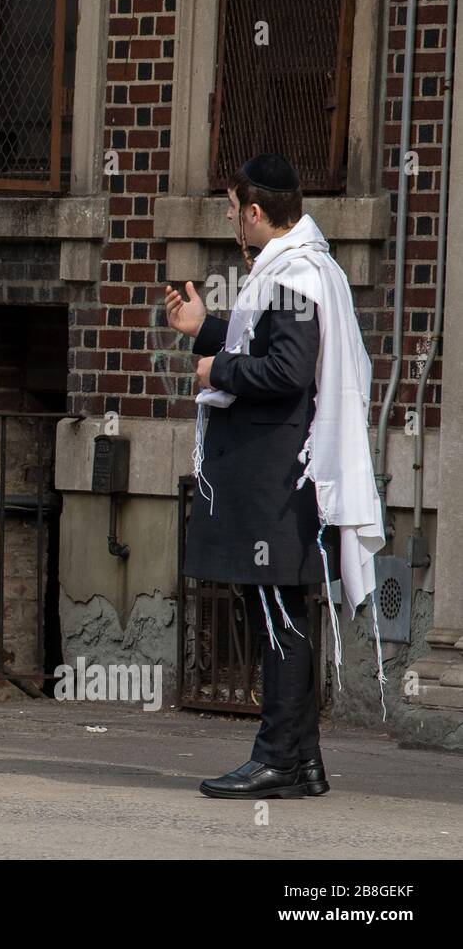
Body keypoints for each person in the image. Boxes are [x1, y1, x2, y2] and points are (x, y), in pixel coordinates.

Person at [164, 153, 384, 800]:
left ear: (256, 213)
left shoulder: (294, 276)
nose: (232, 221)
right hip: (287, 476)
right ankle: (303, 762)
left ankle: (276, 762)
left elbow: (286, 371)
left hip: (279, 480)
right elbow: (264, 340)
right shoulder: (304, 269)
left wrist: (214, 371)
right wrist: (204, 328)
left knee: (278, 620)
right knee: (283, 616)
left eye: (234, 210)